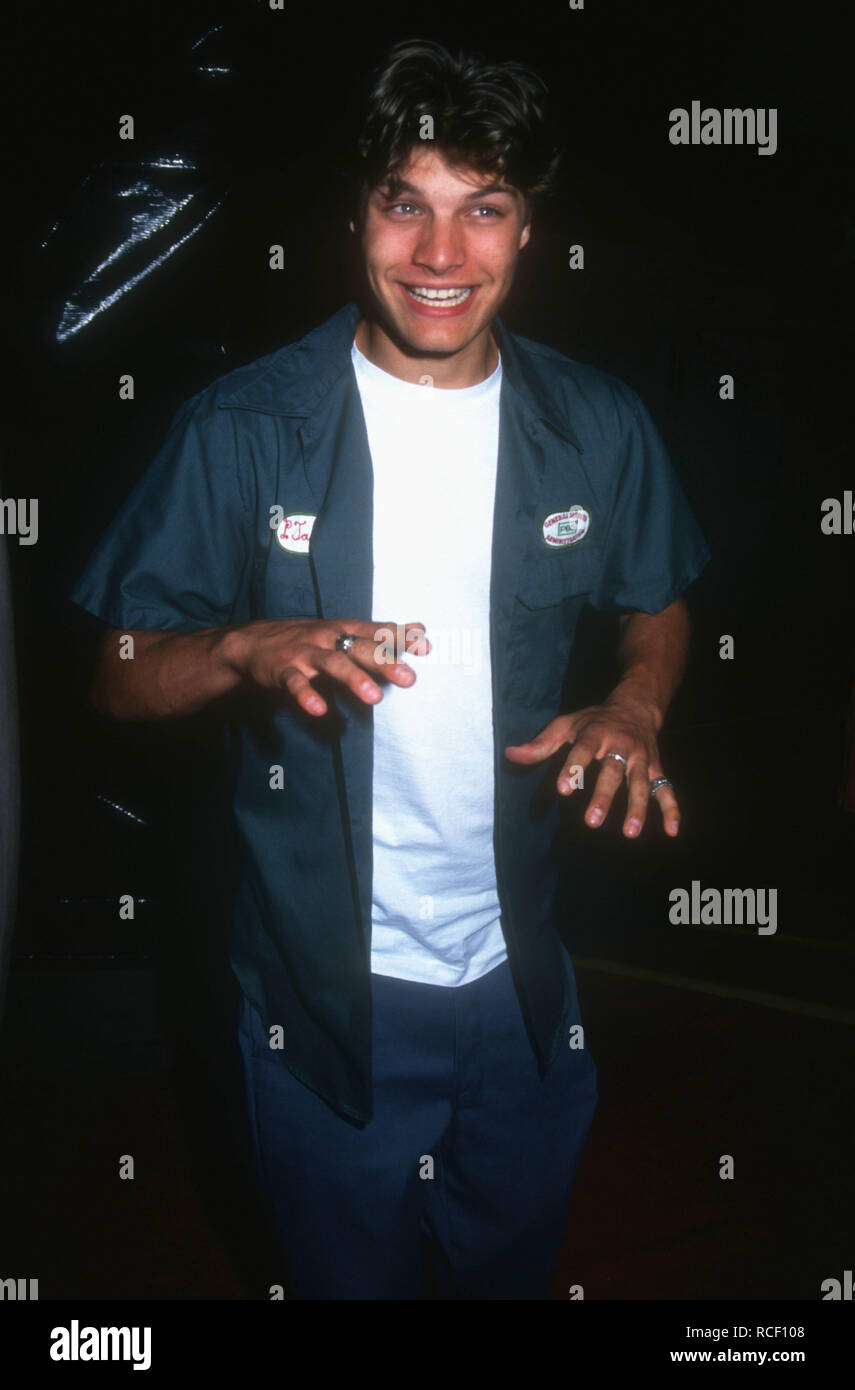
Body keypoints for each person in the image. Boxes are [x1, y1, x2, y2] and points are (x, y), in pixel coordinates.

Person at [70, 39, 710, 1300]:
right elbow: (117, 672)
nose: (439, 252)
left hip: (521, 988)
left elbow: (660, 602)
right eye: (403, 203)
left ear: (528, 230)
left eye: (484, 208)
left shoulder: (598, 425)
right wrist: (240, 645)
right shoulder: (241, 429)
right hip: (320, 1003)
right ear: (353, 218)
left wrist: (637, 701)